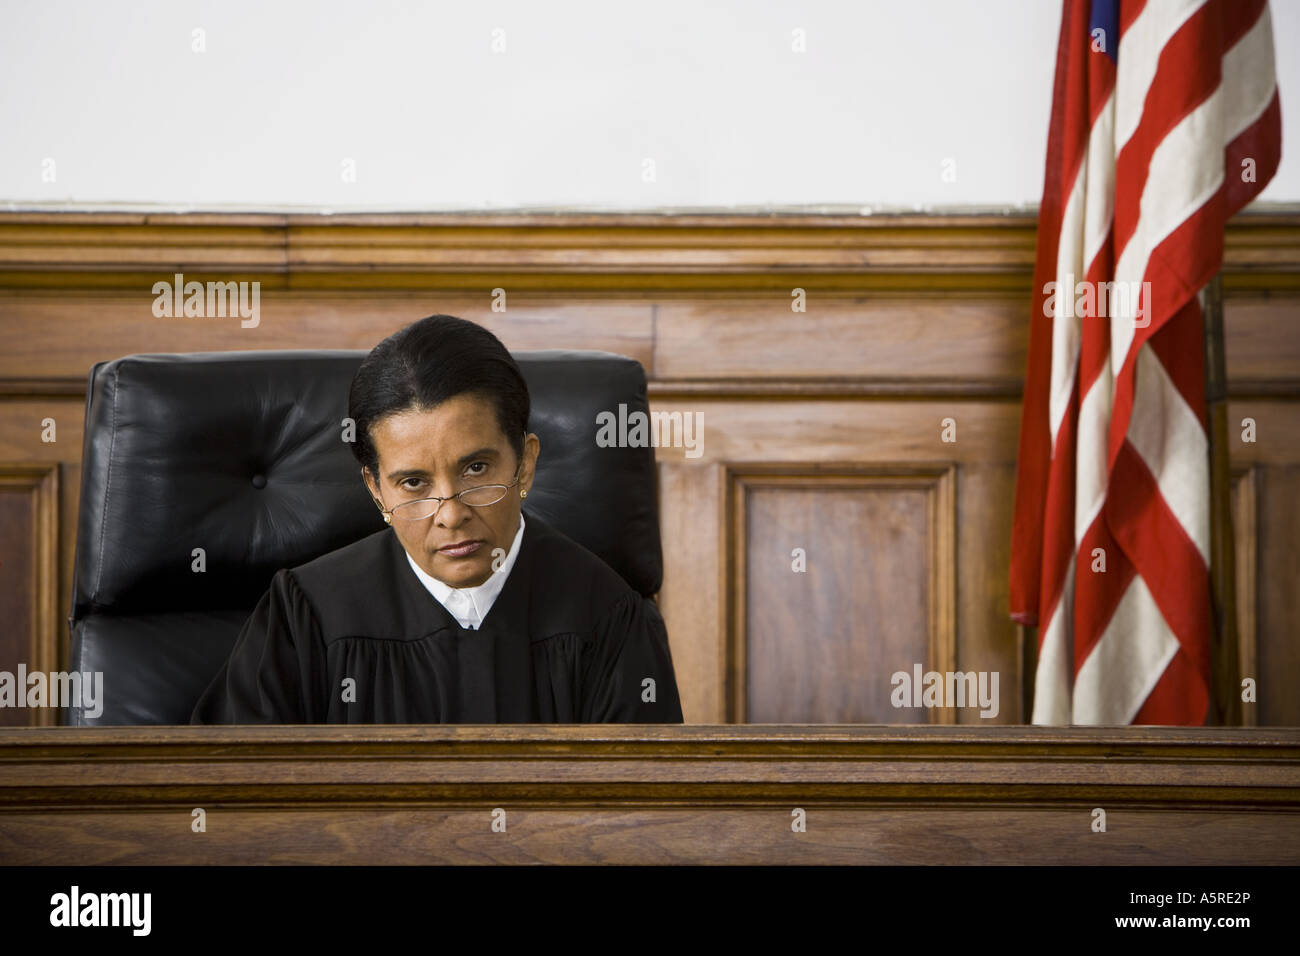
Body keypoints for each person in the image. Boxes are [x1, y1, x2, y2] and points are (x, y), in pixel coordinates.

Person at [192, 314, 683, 724]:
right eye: (413, 483)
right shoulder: (305, 617)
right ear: (375, 488)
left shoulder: (610, 621)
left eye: (475, 469)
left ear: (525, 463)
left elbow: (638, 826)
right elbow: (234, 805)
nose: (450, 514)